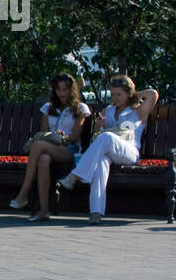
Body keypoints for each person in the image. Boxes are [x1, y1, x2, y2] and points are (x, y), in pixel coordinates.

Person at [58, 75, 160, 224]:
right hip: (109, 152)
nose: (115, 98)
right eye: (112, 94)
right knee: (100, 163)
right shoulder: (108, 110)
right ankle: (95, 212)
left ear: (128, 93)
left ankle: (74, 176)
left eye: (119, 94)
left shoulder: (138, 111)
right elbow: (97, 139)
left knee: (107, 137)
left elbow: (153, 94)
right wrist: (98, 126)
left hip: (130, 152)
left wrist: (134, 95)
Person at [9, 73, 89, 221]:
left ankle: (23, 193)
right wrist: (52, 136)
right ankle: (44, 210)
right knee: (43, 160)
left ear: (72, 90)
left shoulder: (80, 108)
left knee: (38, 145)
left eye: (65, 89)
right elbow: (44, 132)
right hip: (49, 148)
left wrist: (62, 137)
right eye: (59, 90)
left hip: (68, 149)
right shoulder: (48, 108)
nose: (62, 93)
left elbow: (75, 137)